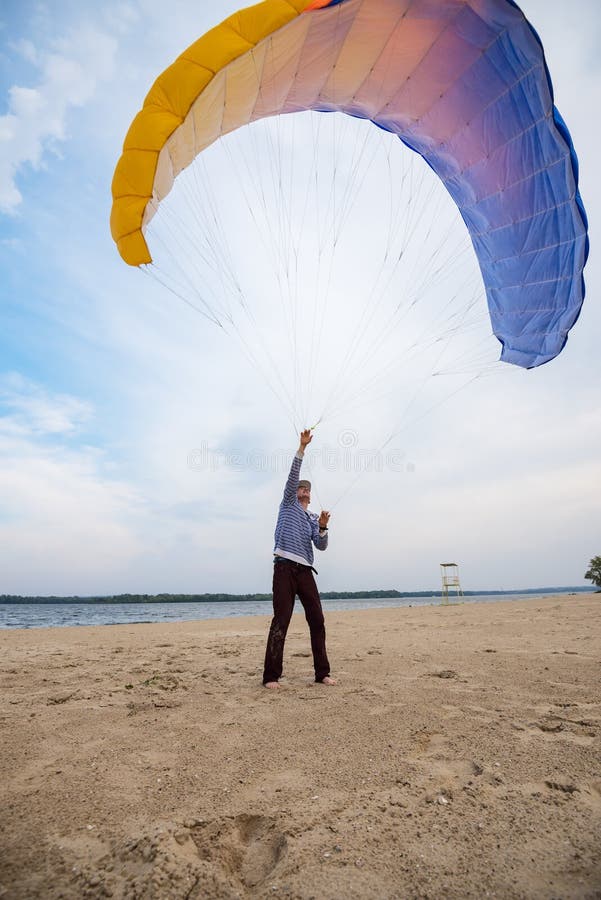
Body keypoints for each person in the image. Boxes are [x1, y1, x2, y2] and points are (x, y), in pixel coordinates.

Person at [262, 429, 336, 689]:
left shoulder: (313, 518)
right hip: (283, 567)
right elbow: (293, 475)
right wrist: (302, 448)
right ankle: (271, 676)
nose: (303, 490)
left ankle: (322, 673)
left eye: (307, 489)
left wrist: (324, 526)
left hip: (305, 571)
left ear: (310, 495)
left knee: (317, 619)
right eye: (301, 488)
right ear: (295, 492)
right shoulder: (288, 505)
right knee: (281, 620)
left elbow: (321, 546)